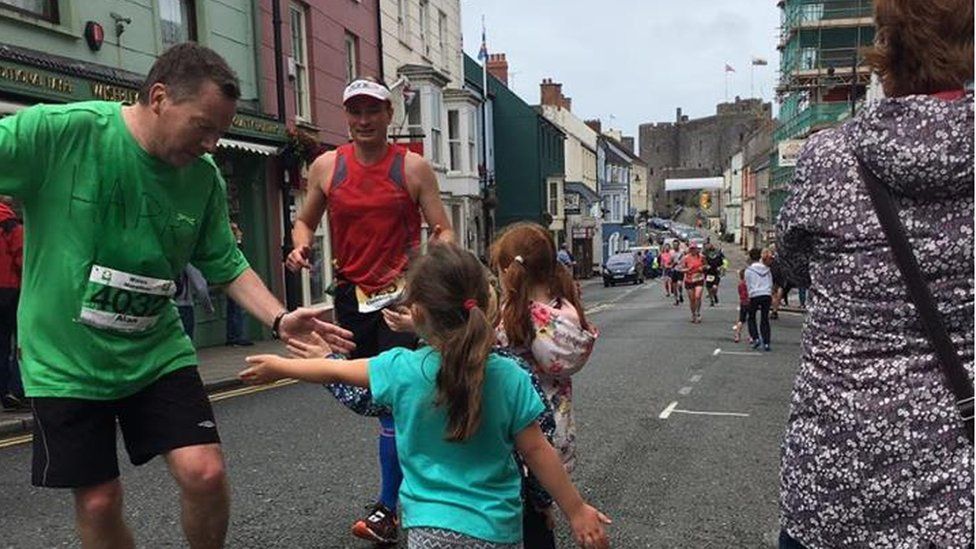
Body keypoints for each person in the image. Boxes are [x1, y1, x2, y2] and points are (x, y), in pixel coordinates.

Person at [0, 43, 355, 548]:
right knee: (99, 501)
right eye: (203, 127)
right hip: (64, 358)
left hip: (155, 349)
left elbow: (225, 263)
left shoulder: (202, 178)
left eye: (220, 132)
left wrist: (279, 319)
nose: (211, 144)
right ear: (159, 97)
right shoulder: (63, 133)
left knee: (204, 472)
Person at [241, 243, 611, 548]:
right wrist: (576, 510)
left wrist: (281, 366)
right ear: (483, 303)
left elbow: (336, 372)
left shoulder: (401, 368)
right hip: (496, 528)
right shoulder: (511, 375)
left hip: (429, 531)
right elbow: (537, 451)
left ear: (416, 312)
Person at [776, 1, 974, 547]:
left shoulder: (827, 158)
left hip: (834, 474)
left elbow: (793, 264)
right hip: (957, 483)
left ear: (886, 47)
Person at [285, 77, 454, 543]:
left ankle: (389, 506)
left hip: (403, 296)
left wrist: (438, 264)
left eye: (372, 111)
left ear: (388, 114)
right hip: (352, 297)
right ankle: (409, 491)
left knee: (396, 399)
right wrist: (300, 246)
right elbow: (304, 220)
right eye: (355, 112)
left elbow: (441, 228)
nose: (363, 120)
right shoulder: (327, 166)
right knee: (379, 400)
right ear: (347, 116)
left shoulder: (412, 168)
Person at [490, 222, 599, 545]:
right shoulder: (566, 310)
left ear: (508, 270)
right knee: (539, 514)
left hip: (517, 425)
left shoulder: (513, 317)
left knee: (519, 513)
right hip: (556, 423)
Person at [0, 196, 24, 411]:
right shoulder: (10, 223)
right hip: (10, 289)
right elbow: (21, 256)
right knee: (19, 341)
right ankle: (16, 390)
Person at [224, 221, 252, 346]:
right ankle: (236, 336)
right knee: (236, 308)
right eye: (237, 231)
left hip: (232, 278)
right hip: (233, 279)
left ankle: (234, 335)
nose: (240, 233)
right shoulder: (231, 247)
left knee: (235, 308)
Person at [175, 264, 215, 339]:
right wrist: (208, 307)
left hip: (163, 307)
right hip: (184, 305)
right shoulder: (186, 261)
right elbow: (200, 287)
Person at [744, 248, 773, 351]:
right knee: (765, 319)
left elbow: (748, 284)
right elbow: (770, 282)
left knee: (751, 317)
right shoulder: (767, 269)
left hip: (754, 295)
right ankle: (766, 342)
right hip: (766, 294)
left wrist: (749, 295)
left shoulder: (748, 271)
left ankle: (755, 338)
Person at [677, 241, 706, 323]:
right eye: (691, 249)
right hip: (689, 280)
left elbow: (706, 265)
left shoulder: (702, 257)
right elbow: (680, 269)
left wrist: (702, 268)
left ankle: (698, 313)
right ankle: (693, 314)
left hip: (699, 279)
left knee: (698, 296)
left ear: (697, 249)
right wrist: (687, 270)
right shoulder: (685, 258)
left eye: (694, 249)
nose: (693, 250)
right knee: (692, 299)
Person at [732, 269, 749, 344]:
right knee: (751, 319)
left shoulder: (740, 284)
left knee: (741, 320)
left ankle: (737, 335)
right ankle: (751, 336)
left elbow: (740, 293)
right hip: (750, 302)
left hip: (743, 302)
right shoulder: (748, 284)